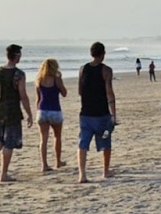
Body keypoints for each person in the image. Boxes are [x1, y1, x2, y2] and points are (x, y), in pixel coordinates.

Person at [0, 45, 33, 182]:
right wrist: (29, 113)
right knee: (9, 143)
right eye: (20, 55)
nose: (21, 57)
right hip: (13, 112)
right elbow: (23, 95)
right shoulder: (19, 74)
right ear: (16, 56)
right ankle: (3, 174)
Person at [77, 42, 117, 183]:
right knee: (106, 141)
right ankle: (105, 171)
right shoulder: (106, 70)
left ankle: (82, 174)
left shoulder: (83, 69)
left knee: (83, 144)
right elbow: (109, 93)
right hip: (102, 114)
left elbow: (80, 91)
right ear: (103, 54)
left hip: (86, 113)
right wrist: (114, 114)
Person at [35, 57, 68, 172]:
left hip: (42, 110)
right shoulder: (56, 78)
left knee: (43, 139)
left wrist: (37, 110)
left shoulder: (39, 79)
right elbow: (64, 93)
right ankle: (58, 162)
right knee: (57, 136)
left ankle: (44, 164)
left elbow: (38, 99)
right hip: (54, 110)